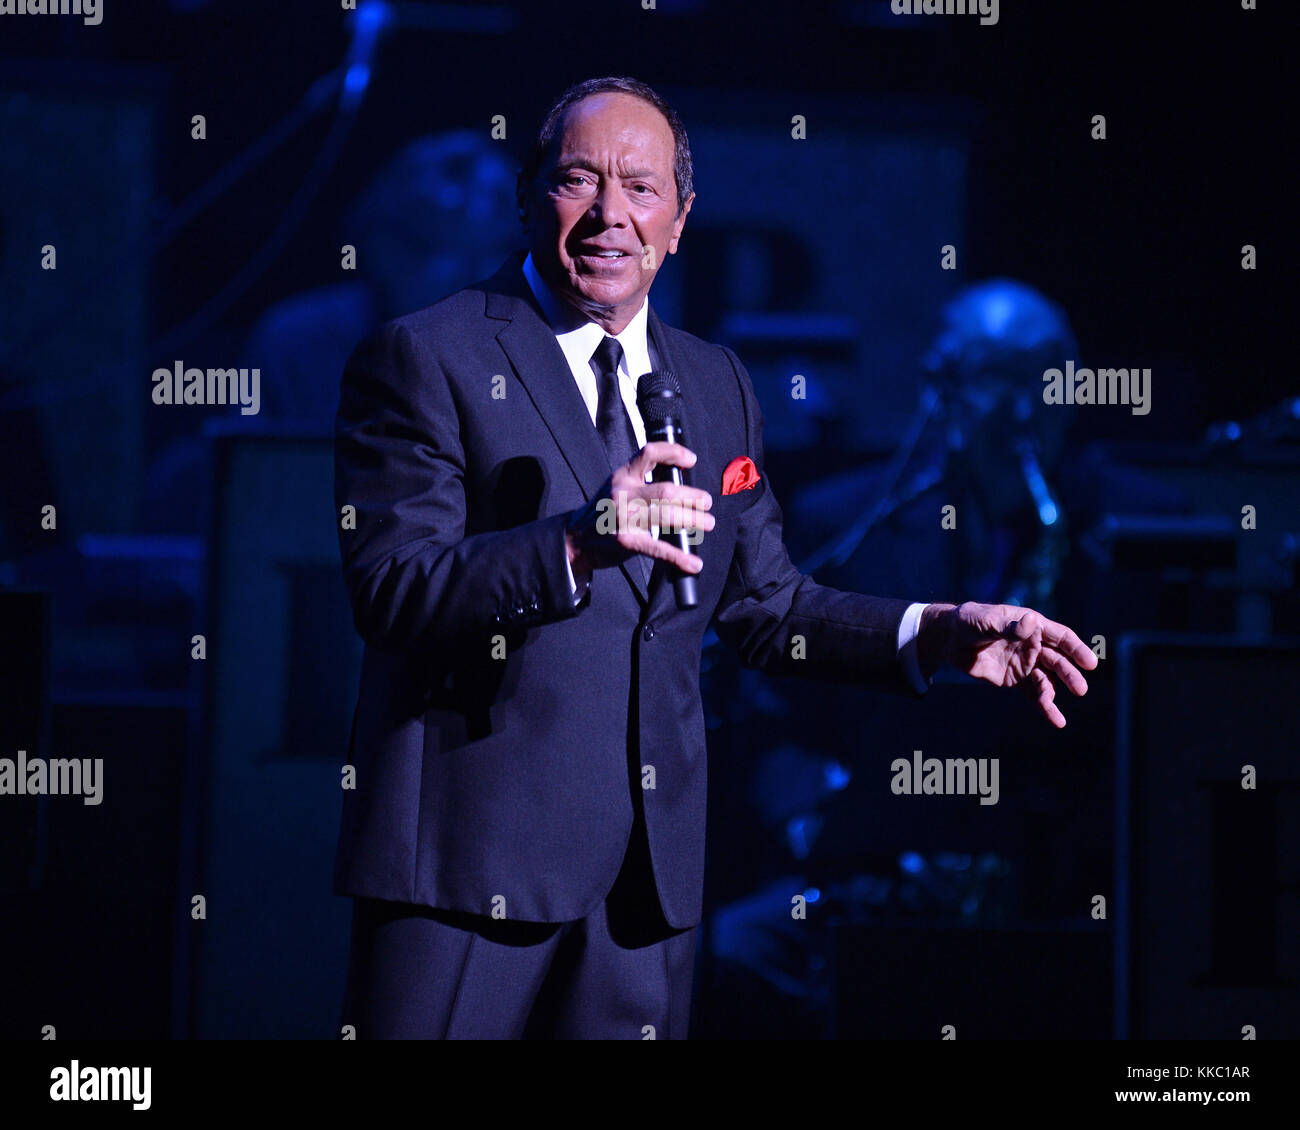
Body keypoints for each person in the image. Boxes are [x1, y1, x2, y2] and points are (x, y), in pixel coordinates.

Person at [332, 75, 1097, 1040]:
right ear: (533, 195)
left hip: (643, 901)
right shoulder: (424, 356)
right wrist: (580, 537)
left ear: (681, 219)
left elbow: (767, 608)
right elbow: (391, 588)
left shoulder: (714, 380)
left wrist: (935, 632)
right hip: (466, 874)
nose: (611, 214)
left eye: (641, 189)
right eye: (579, 181)